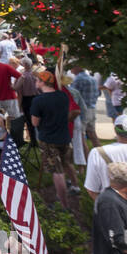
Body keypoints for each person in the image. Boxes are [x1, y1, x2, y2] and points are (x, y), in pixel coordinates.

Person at [30, 70, 78, 207]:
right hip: (64, 137)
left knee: (57, 172)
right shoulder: (63, 96)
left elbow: (34, 122)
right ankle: (75, 187)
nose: (35, 82)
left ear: (42, 82)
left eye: (37, 80)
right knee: (66, 164)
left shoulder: (38, 100)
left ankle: (63, 204)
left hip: (49, 139)